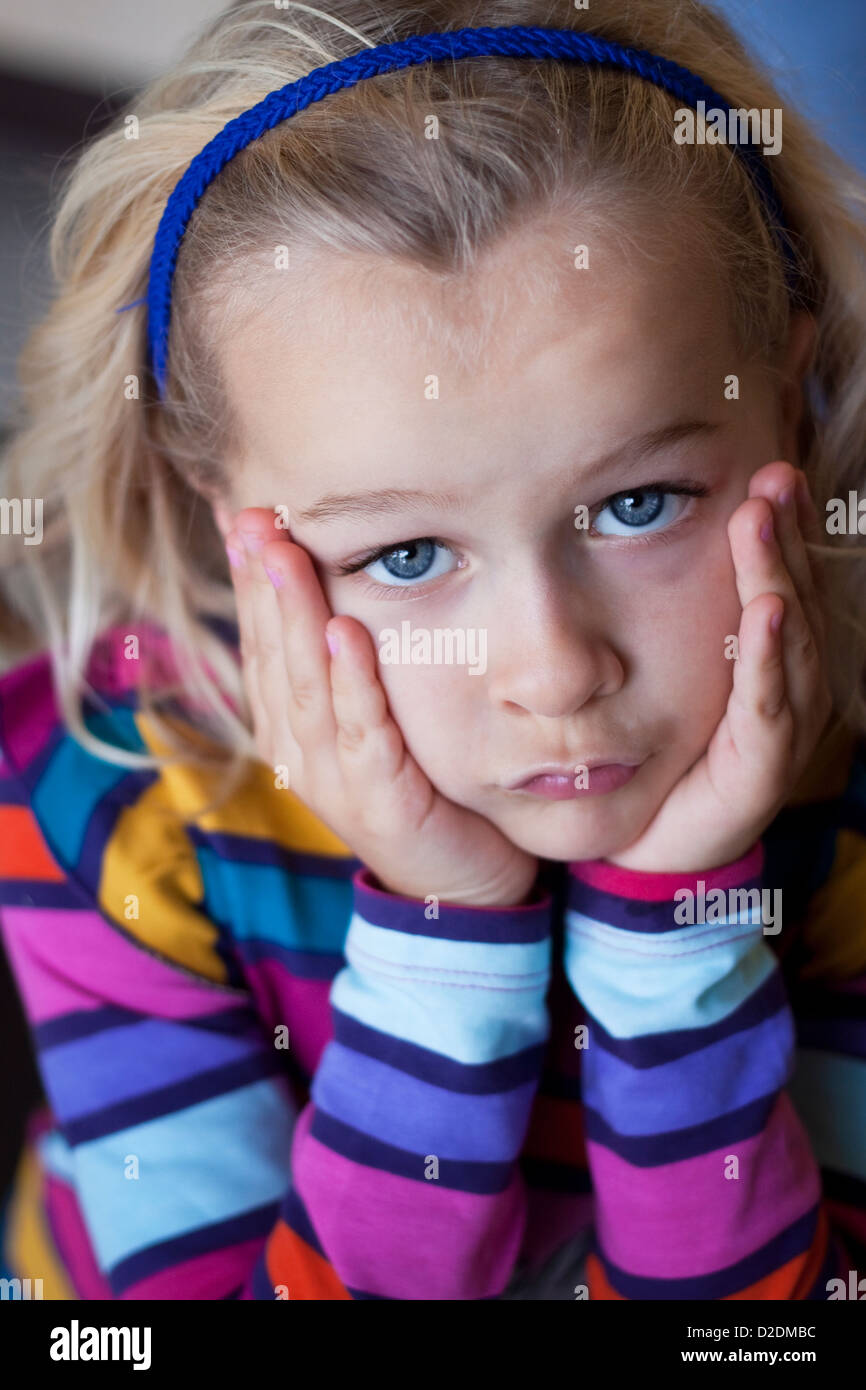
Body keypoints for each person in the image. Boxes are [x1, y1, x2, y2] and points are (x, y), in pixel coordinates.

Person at [0, 0, 864, 1301]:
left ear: (788, 397)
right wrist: (440, 942)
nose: (555, 671)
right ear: (217, 513)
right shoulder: (109, 803)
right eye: (404, 556)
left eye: (640, 504)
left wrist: (676, 931)